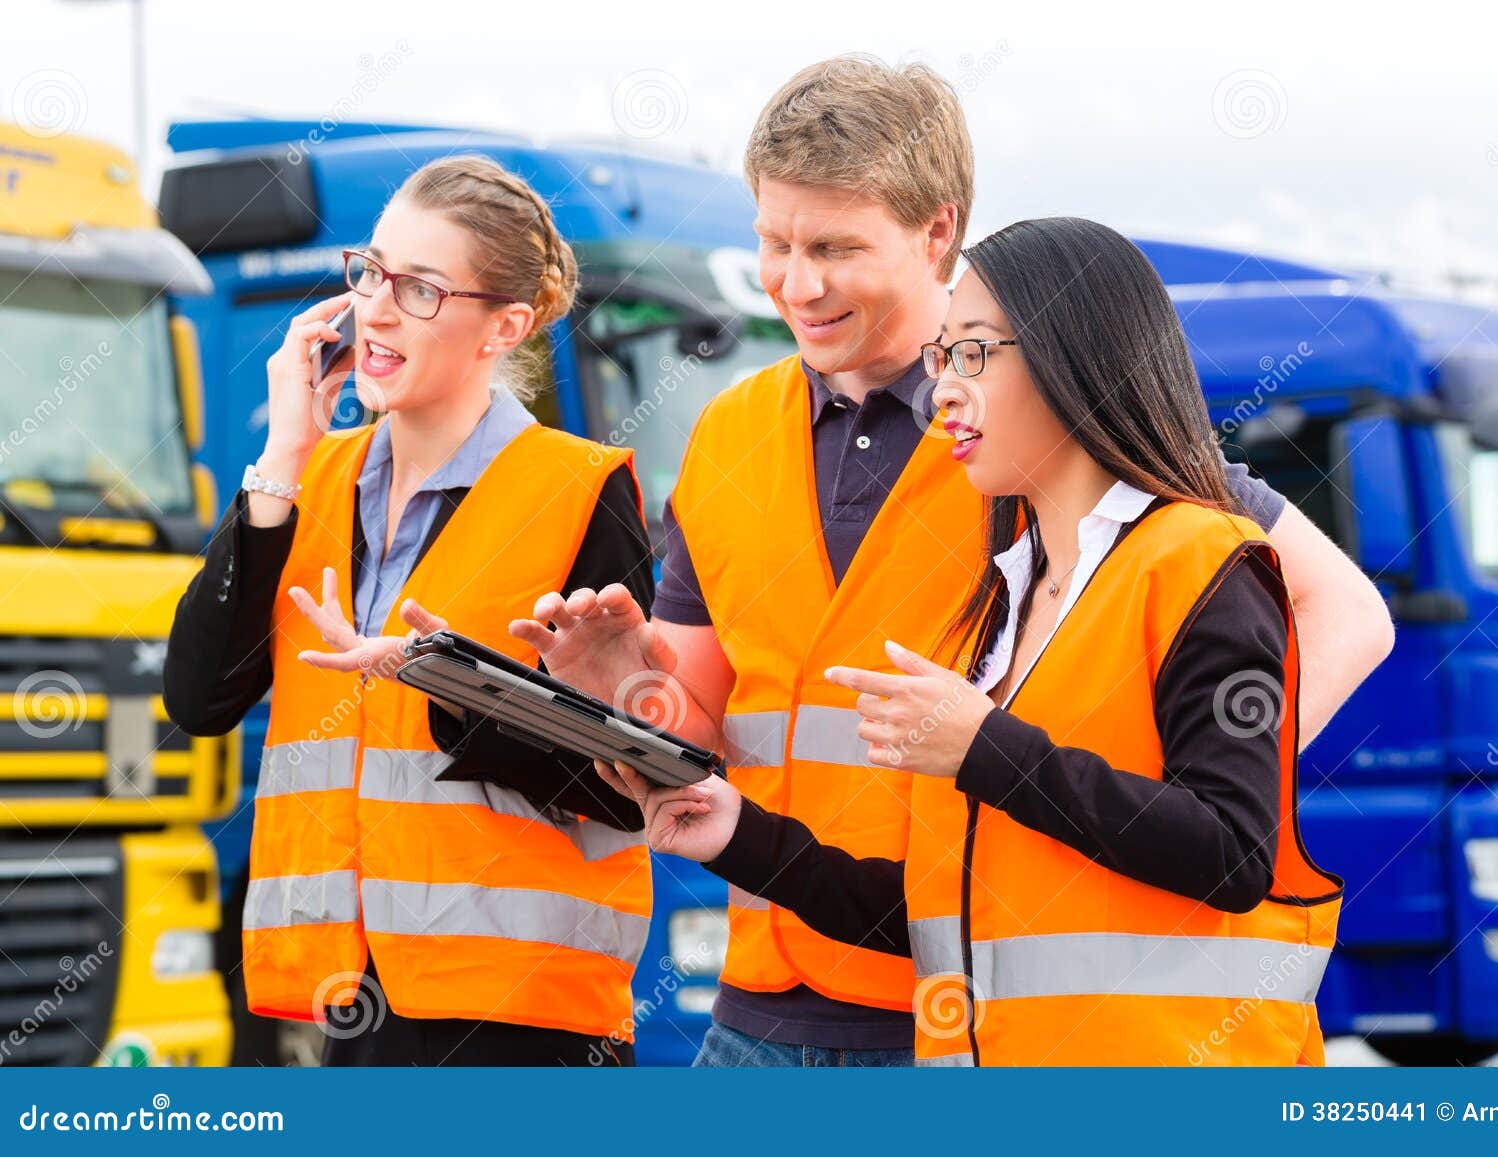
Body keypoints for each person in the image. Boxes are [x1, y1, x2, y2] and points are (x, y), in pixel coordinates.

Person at [518, 57, 1389, 1067]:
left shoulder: (1053, 426)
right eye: (773, 241)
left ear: (939, 230)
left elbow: (1346, 613)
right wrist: (616, 684)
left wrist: (1169, 793)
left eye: (835, 247)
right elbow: (701, 720)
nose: (796, 283)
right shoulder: (725, 435)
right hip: (766, 993)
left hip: (987, 1003)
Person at [163, 155, 653, 1066]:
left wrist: (442, 685)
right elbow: (197, 700)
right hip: (346, 1009)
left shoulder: (579, 492)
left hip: (522, 1032)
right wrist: (280, 458)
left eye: (420, 289)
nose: (375, 308)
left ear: (503, 326)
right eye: (372, 272)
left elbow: (629, 780)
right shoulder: (313, 482)